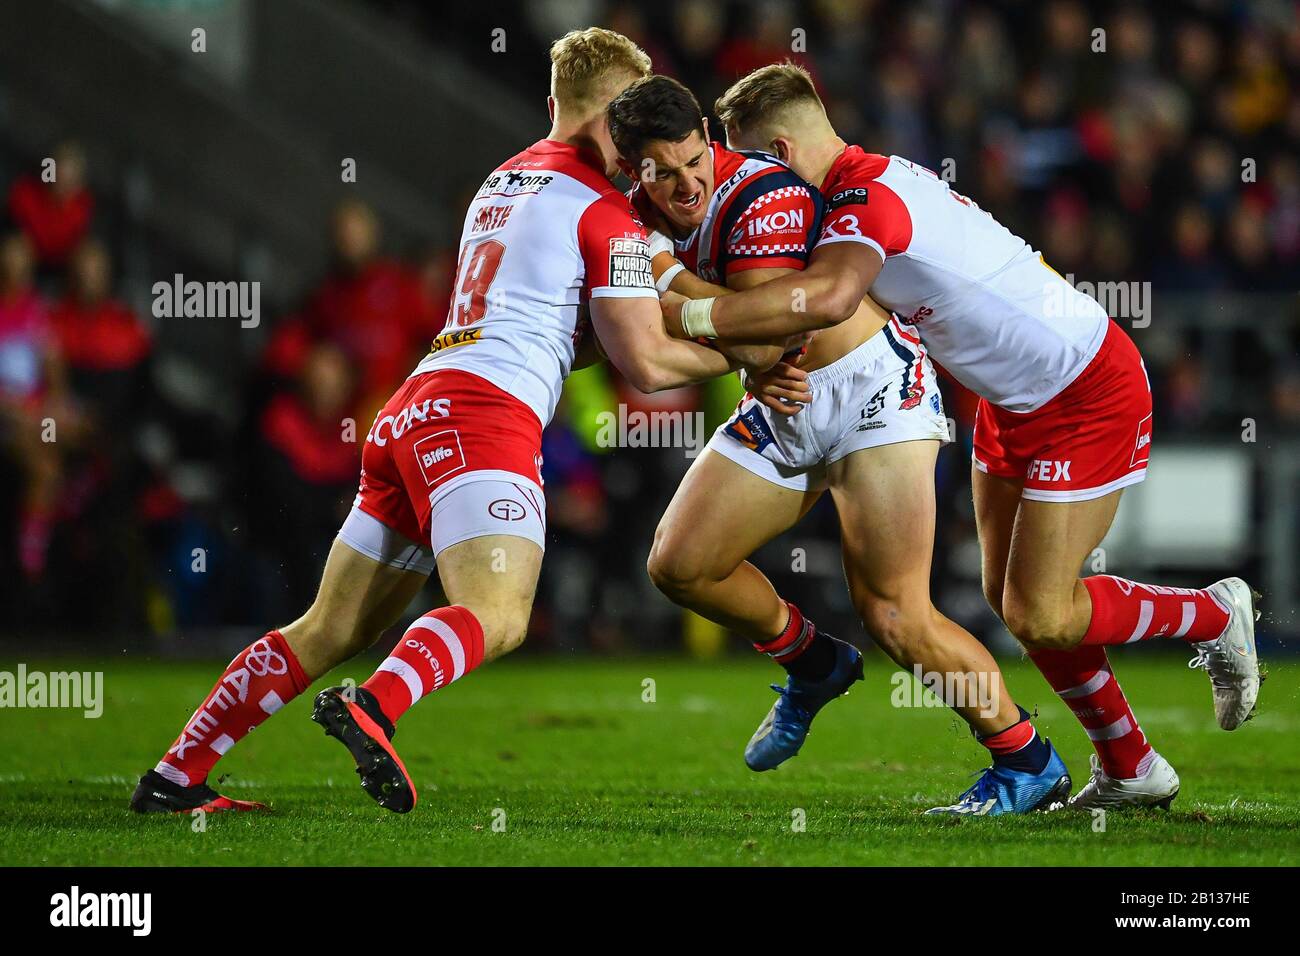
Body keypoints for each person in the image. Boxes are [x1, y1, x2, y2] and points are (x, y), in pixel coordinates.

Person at [130, 28, 744, 816]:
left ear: (552, 102)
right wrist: (744, 353)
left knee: (326, 626)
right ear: (625, 115)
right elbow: (649, 363)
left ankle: (174, 777)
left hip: (414, 408)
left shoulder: (502, 181)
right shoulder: (608, 215)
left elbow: (551, 329)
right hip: (482, 418)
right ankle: (375, 707)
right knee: (498, 612)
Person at [662, 63, 1260, 812]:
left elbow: (829, 297)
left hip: (1086, 385)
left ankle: (1212, 613)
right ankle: (1131, 768)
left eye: (749, 163)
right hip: (1013, 399)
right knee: (1014, 604)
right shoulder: (866, 182)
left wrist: (684, 310)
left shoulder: (862, 201)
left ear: (778, 152)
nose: (746, 184)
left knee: (1043, 611)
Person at [611, 75, 1070, 815]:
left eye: (693, 158)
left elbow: (770, 328)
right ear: (633, 170)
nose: (685, 182)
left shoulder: (762, 191)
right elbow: (650, 330)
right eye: (660, 171)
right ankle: (814, 660)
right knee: (679, 565)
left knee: (895, 612)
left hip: (869, 393)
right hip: (784, 400)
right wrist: (708, 326)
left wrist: (665, 280)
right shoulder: (629, 213)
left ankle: (1028, 763)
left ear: (706, 137)